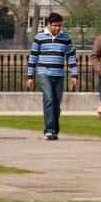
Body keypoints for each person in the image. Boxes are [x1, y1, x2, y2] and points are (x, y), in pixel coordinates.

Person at [26, 12, 77, 140]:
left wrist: (74, 74)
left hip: (59, 74)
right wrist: (30, 76)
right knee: (48, 99)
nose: (58, 28)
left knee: (56, 103)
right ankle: (48, 130)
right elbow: (33, 57)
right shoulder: (39, 37)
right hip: (44, 73)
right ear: (48, 24)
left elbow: (71, 57)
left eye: (59, 25)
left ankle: (54, 130)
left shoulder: (66, 38)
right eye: (55, 25)